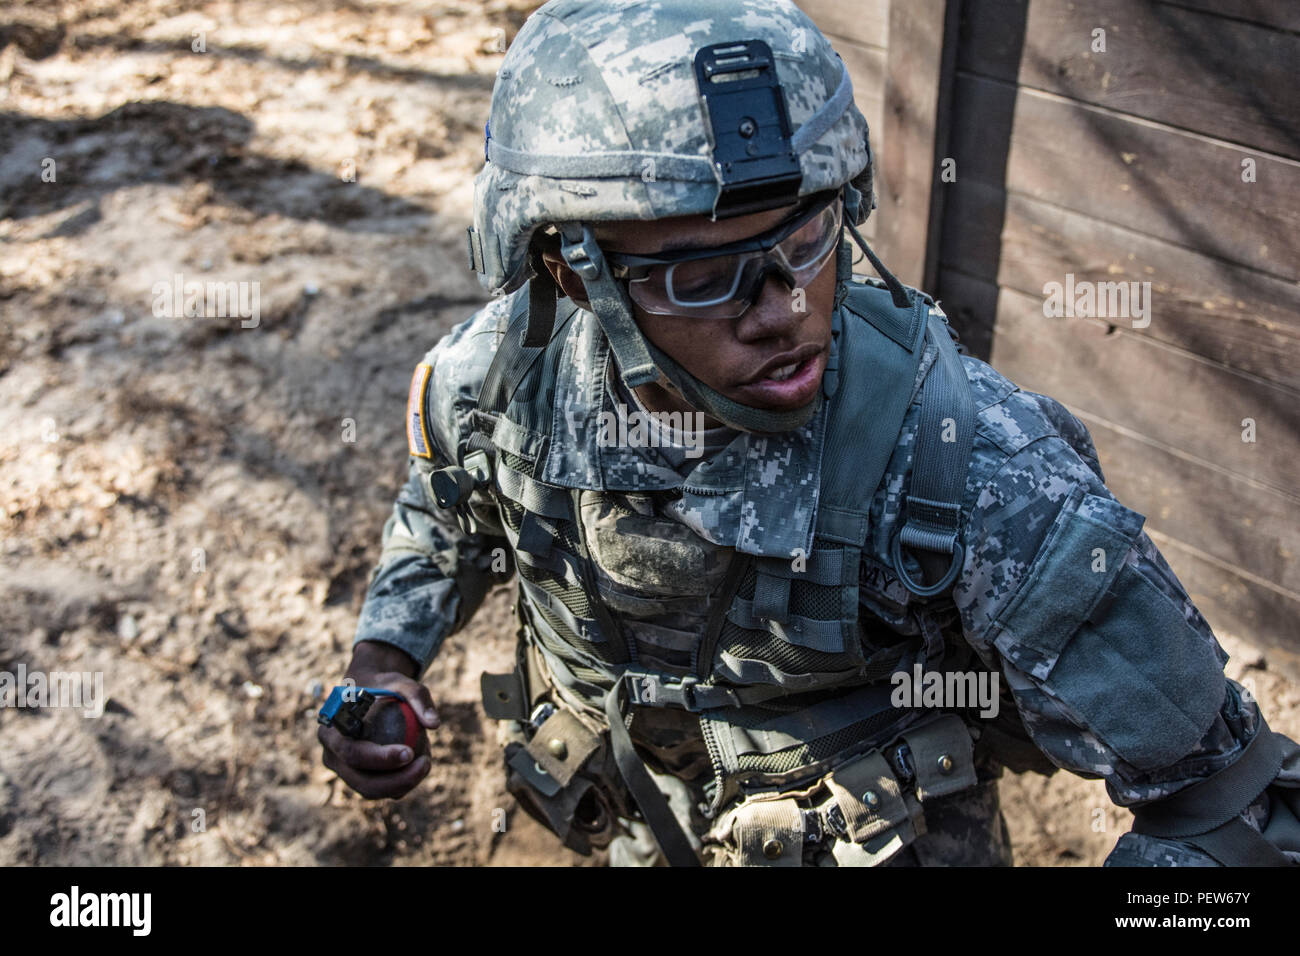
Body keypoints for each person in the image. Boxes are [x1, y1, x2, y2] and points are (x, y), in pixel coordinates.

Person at [318, 0, 1300, 866]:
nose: (785, 308)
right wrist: (387, 658)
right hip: (611, 810)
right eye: (704, 275)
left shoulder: (963, 458)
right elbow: (447, 516)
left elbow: (1226, 803)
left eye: (804, 239)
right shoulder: (495, 382)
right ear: (573, 275)